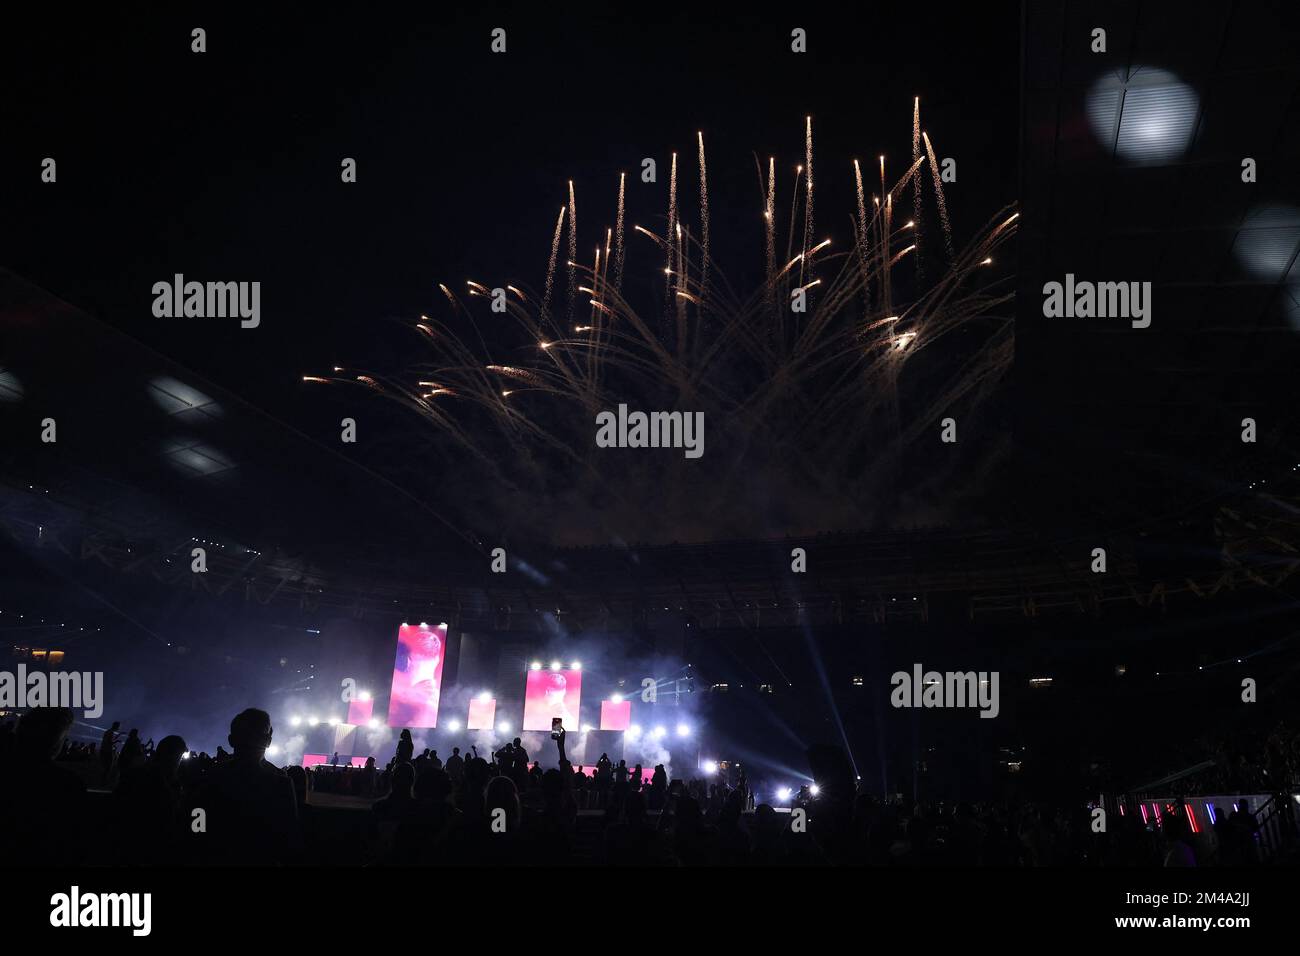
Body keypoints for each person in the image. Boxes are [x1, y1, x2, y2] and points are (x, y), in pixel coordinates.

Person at [189, 708, 300, 865]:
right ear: (268, 741)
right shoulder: (280, 782)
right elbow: (289, 838)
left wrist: (199, 846)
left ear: (231, 740)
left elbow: (196, 815)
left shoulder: (213, 776)